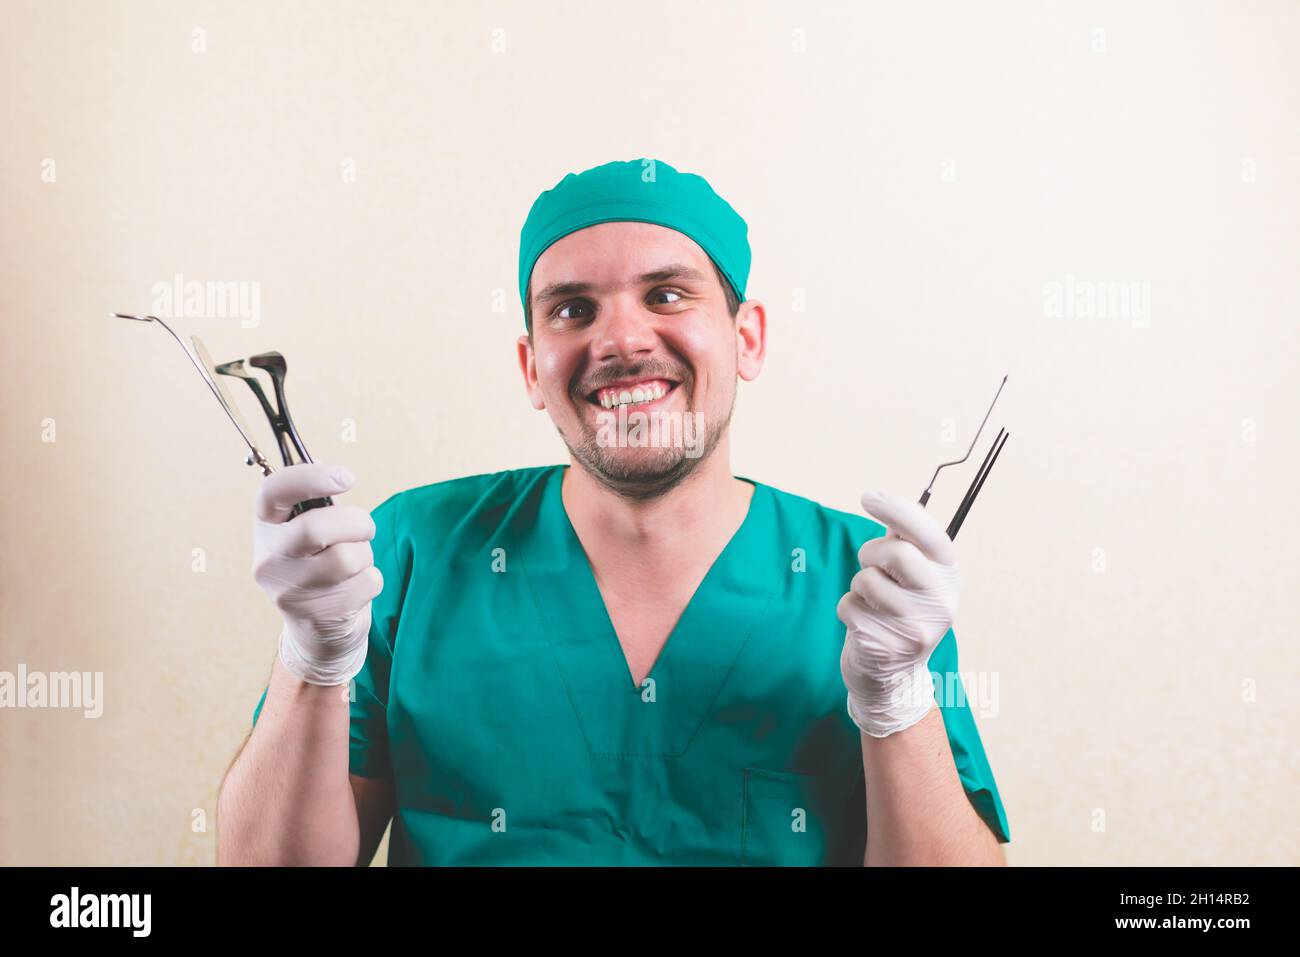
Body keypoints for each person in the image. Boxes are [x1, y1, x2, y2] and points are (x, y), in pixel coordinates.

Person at [217, 158, 1010, 866]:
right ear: (533, 367)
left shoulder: (868, 591)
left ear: (748, 338)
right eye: (571, 310)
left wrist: (898, 700)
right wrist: (309, 662)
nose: (623, 339)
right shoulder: (413, 553)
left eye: (666, 294)